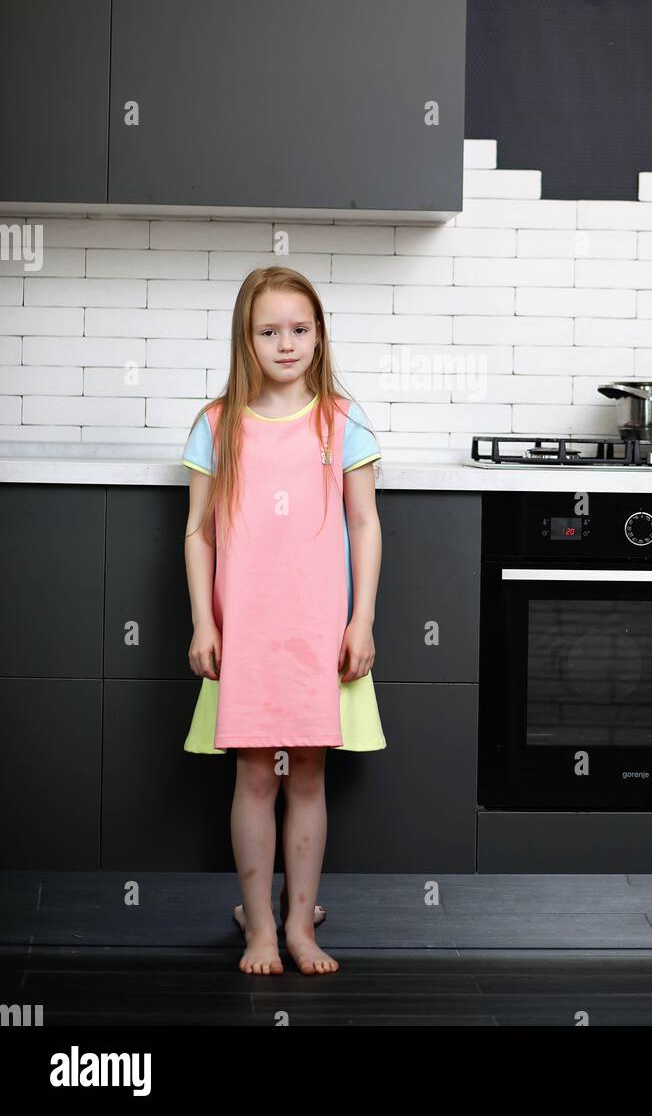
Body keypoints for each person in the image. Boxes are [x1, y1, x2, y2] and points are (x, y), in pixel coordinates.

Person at [181, 265, 385, 976]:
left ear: (320, 334)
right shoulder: (216, 424)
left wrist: (361, 621)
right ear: (246, 339)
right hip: (248, 635)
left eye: (300, 329)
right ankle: (258, 927)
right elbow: (199, 533)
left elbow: (365, 523)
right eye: (269, 331)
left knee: (306, 775)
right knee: (253, 778)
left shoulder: (342, 420)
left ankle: (301, 923)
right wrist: (204, 625)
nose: (286, 343)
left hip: (318, 633)